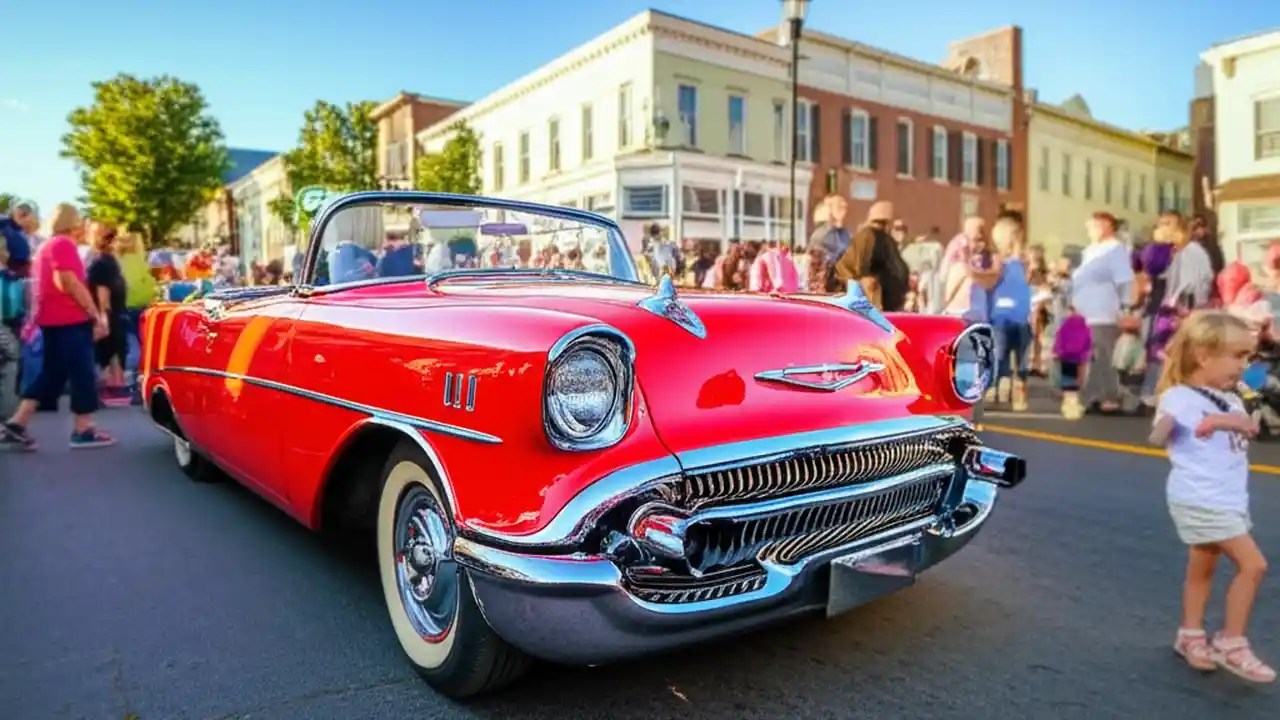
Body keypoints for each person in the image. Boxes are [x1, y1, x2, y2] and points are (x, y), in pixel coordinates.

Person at [1150, 311, 1273, 683]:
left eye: (1247, 357)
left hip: (1228, 497)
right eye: (1237, 356)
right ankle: (1231, 643)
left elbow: (1241, 430)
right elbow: (1158, 436)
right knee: (1254, 566)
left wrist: (1237, 421)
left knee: (1202, 565)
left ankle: (1190, 635)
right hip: (1201, 497)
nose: (1243, 365)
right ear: (1204, 356)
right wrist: (1209, 423)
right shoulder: (1180, 397)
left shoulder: (1230, 399)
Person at [0, 203, 114, 450]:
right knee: (82, 373)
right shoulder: (64, 245)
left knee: (53, 374)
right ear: (74, 224)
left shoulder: (45, 247)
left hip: (51, 320)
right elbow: (68, 282)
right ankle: (84, 429)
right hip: (69, 320)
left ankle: (17, 423)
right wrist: (94, 315)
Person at [988, 218, 1032, 411]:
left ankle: (1019, 392)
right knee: (1000, 354)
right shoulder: (997, 263)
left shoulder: (1025, 263)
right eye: (1017, 238)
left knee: (1021, 356)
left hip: (1021, 316)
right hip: (1000, 316)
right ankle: (998, 387)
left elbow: (1032, 284)